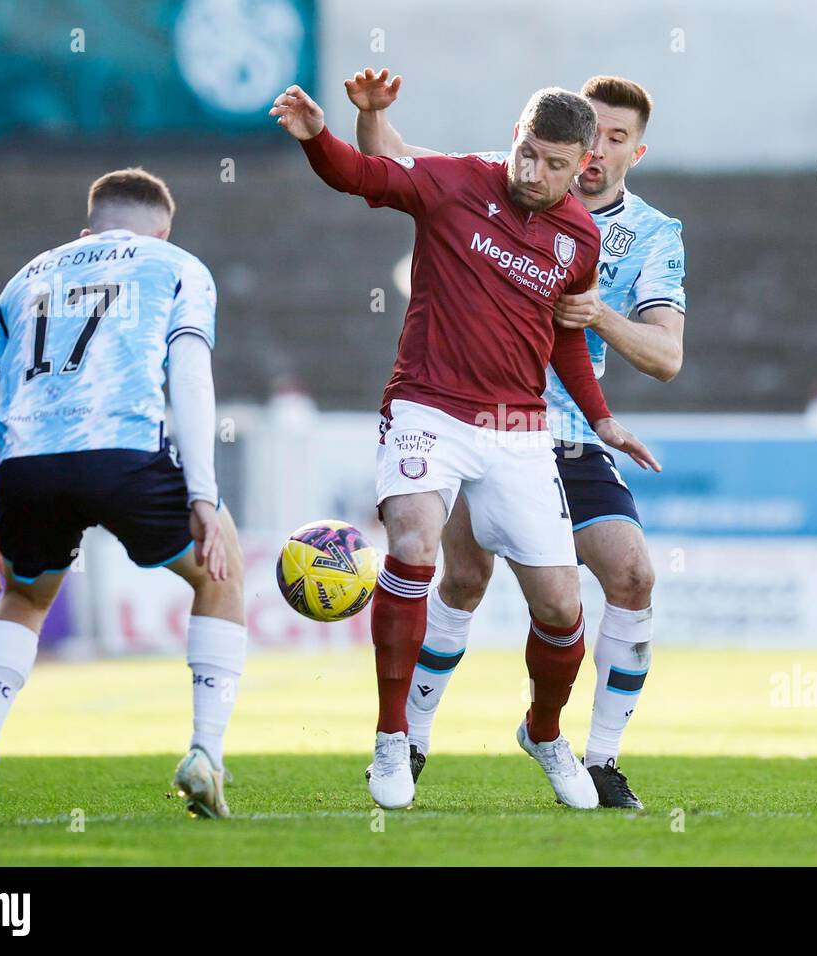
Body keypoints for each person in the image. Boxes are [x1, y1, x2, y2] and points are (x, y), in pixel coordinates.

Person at [270, 83, 660, 810]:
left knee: (560, 609)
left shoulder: (581, 237)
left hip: (518, 430)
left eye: (553, 165)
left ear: (581, 167)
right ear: (515, 134)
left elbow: (566, 339)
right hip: (429, 406)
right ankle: (394, 739)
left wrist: (602, 420)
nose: (532, 173)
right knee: (415, 544)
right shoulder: (456, 181)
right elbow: (363, 174)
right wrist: (317, 136)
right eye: (526, 154)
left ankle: (545, 733)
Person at [0, 168, 245, 824]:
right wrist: (202, 493)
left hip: (28, 467)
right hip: (126, 453)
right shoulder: (175, 264)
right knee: (223, 574)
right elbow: (190, 378)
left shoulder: (27, 277)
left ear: (88, 228)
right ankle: (205, 754)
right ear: (161, 230)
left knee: (24, 597)